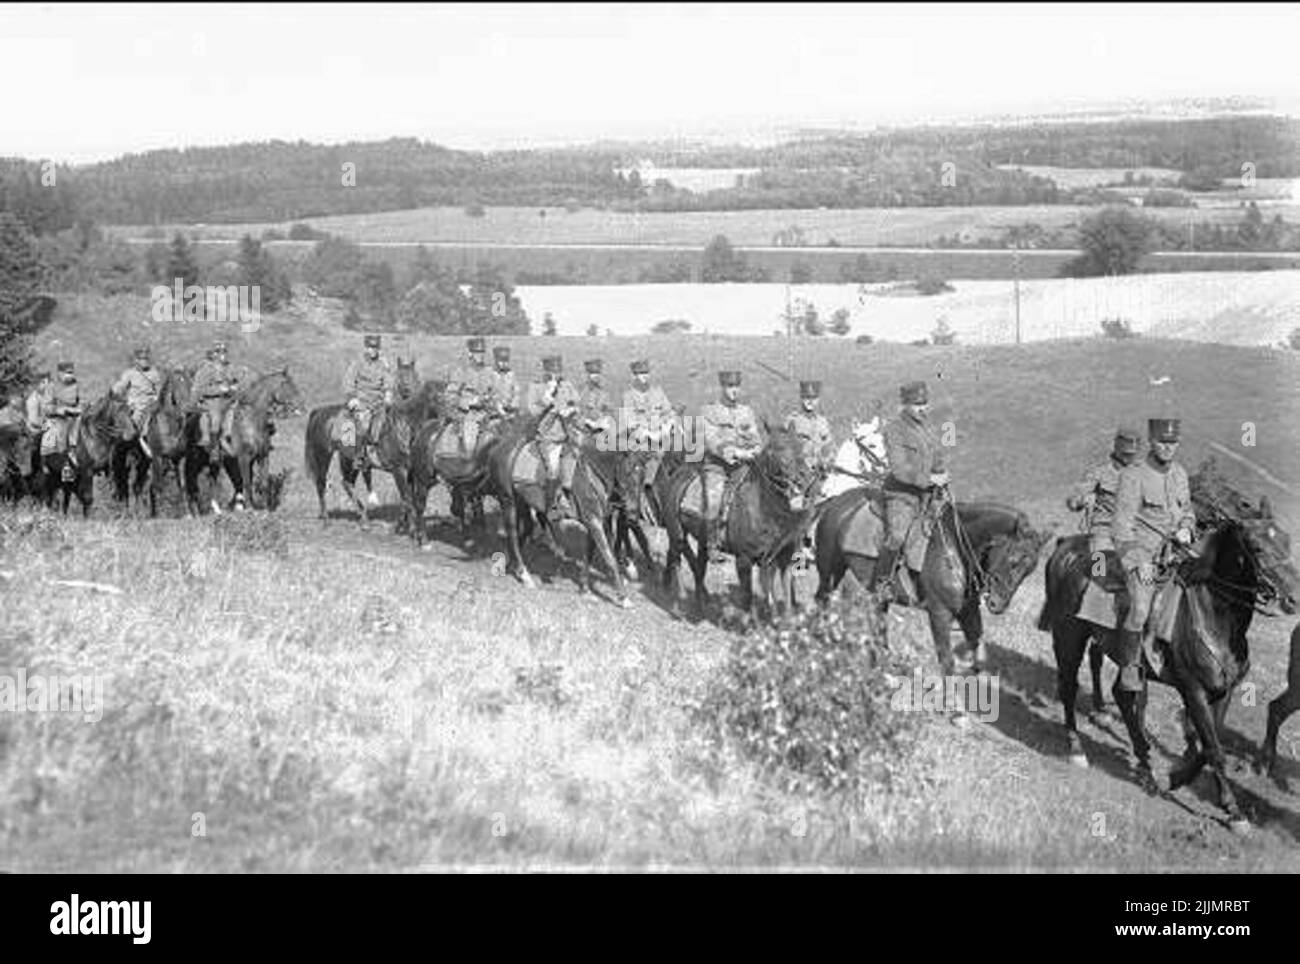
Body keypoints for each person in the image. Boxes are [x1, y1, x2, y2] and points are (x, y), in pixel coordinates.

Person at [1111, 417, 1196, 692]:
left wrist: (1186, 527)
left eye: (1173, 442)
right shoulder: (1133, 475)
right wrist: (1140, 561)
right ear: (1151, 442)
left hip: (1175, 555)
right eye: (1162, 442)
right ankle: (1130, 666)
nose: (1168, 448)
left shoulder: (1180, 474)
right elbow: (1121, 526)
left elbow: (1188, 512)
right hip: (1141, 554)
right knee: (1140, 608)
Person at [872, 380, 948, 607]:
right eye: (917, 404)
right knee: (897, 536)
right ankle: (883, 583)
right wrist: (929, 479)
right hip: (901, 496)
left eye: (925, 403)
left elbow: (937, 457)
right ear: (905, 405)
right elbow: (900, 470)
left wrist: (942, 473)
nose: (922, 408)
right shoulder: (894, 429)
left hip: (928, 496)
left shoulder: (927, 427)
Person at [700, 370, 763, 552]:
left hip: (743, 468)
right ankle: (712, 545)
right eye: (730, 387)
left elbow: (755, 438)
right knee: (713, 502)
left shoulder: (746, 412)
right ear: (722, 388)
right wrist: (735, 452)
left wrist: (755, 450)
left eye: (736, 386)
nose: (734, 390)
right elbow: (711, 441)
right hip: (717, 467)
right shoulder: (710, 411)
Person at [1066, 426, 1142, 554]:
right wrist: (1080, 500)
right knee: (1099, 561)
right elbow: (1075, 497)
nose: (1128, 458)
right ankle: (1097, 573)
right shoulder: (1100, 472)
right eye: (1125, 454)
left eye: (1132, 455)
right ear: (1117, 449)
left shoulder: (1143, 473)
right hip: (1105, 529)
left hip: (1135, 530)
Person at [527, 355, 580, 519]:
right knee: (552, 471)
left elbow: (576, 403)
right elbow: (533, 411)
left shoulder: (567, 385)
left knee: (578, 464)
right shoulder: (536, 387)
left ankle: (576, 503)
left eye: (557, 372)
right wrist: (547, 402)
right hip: (547, 437)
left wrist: (571, 410)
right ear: (545, 372)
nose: (554, 375)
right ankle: (549, 508)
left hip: (566, 436)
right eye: (551, 372)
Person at [621, 359, 676, 499]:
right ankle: (647, 486)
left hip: (662, 436)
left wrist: (666, 426)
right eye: (641, 374)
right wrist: (648, 435)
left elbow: (669, 413)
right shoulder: (628, 396)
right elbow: (630, 422)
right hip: (640, 441)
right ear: (634, 377)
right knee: (648, 457)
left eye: (646, 373)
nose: (645, 376)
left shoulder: (658, 392)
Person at [341, 334, 394, 468]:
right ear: (366, 348)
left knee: (391, 424)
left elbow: (388, 380)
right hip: (362, 401)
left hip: (379, 402)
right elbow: (348, 381)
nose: (373, 350)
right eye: (371, 347)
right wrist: (352, 398)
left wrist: (388, 393)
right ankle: (359, 456)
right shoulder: (357, 363)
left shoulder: (383, 363)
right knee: (363, 425)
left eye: (376, 347)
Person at [192, 339, 242, 462]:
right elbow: (200, 389)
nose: (222, 354)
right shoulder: (206, 369)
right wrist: (219, 389)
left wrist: (235, 387)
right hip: (212, 402)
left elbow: (236, 381)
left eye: (224, 351)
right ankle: (214, 448)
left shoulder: (230, 368)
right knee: (216, 418)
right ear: (214, 354)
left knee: (245, 413)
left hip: (230, 400)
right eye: (219, 352)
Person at [446, 336, 497, 454]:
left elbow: (495, 393)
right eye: (477, 352)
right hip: (469, 416)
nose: (480, 355)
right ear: (470, 353)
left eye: (482, 352)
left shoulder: (490, 372)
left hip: (488, 415)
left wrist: (491, 400)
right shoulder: (461, 371)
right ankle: (469, 465)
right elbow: (450, 396)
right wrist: (469, 402)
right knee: (470, 443)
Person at [112, 346, 162, 457]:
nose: (144, 361)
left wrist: (157, 397)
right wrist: (114, 392)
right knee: (133, 425)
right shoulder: (130, 373)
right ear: (137, 360)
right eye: (142, 359)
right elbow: (121, 386)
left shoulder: (154, 373)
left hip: (151, 402)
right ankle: (140, 443)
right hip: (136, 403)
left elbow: (159, 389)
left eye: (146, 358)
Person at [42, 361, 82, 480]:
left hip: (74, 416)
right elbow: (46, 407)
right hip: (56, 418)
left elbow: (80, 401)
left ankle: (76, 452)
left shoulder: (76, 385)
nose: (70, 375)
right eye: (67, 373)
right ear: (59, 373)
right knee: (54, 432)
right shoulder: (52, 386)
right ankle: (48, 463)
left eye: (71, 373)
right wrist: (60, 410)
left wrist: (78, 409)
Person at [577, 359, 615, 439]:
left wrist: (605, 418)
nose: (595, 378)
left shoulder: (604, 393)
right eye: (593, 375)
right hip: (585, 425)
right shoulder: (583, 391)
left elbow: (609, 410)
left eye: (597, 375)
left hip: (601, 425)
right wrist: (586, 420)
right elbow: (579, 409)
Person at [490, 346, 521, 419]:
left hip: (510, 409)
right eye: (501, 361)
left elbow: (516, 391)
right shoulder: (492, 375)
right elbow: (492, 394)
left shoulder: (511, 374)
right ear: (496, 361)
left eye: (506, 361)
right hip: (495, 411)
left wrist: (514, 403)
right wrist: (500, 410)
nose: (504, 364)